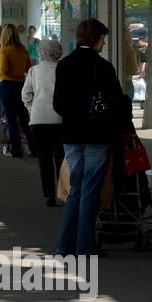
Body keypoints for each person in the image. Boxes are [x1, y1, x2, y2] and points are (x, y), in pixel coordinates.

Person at [52, 19, 131, 257]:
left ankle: (64, 245)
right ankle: (85, 245)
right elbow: (117, 102)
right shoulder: (104, 67)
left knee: (76, 188)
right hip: (97, 135)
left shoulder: (64, 64)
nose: (104, 42)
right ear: (95, 38)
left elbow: (58, 103)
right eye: (103, 38)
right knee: (90, 189)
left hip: (72, 135)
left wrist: (73, 117)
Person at [23, 38, 66, 206]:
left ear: (41, 52)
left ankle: (48, 195)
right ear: (59, 52)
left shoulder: (34, 71)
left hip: (39, 120)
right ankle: (63, 193)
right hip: (59, 119)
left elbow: (25, 95)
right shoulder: (64, 70)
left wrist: (32, 109)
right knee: (61, 158)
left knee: (44, 159)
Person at [0, 23, 34, 158]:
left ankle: (16, 150)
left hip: (7, 86)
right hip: (20, 86)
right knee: (24, 119)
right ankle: (33, 148)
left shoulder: (4, 50)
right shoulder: (23, 49)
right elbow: (28, 68)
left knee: (11, 119)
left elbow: (4, 70)